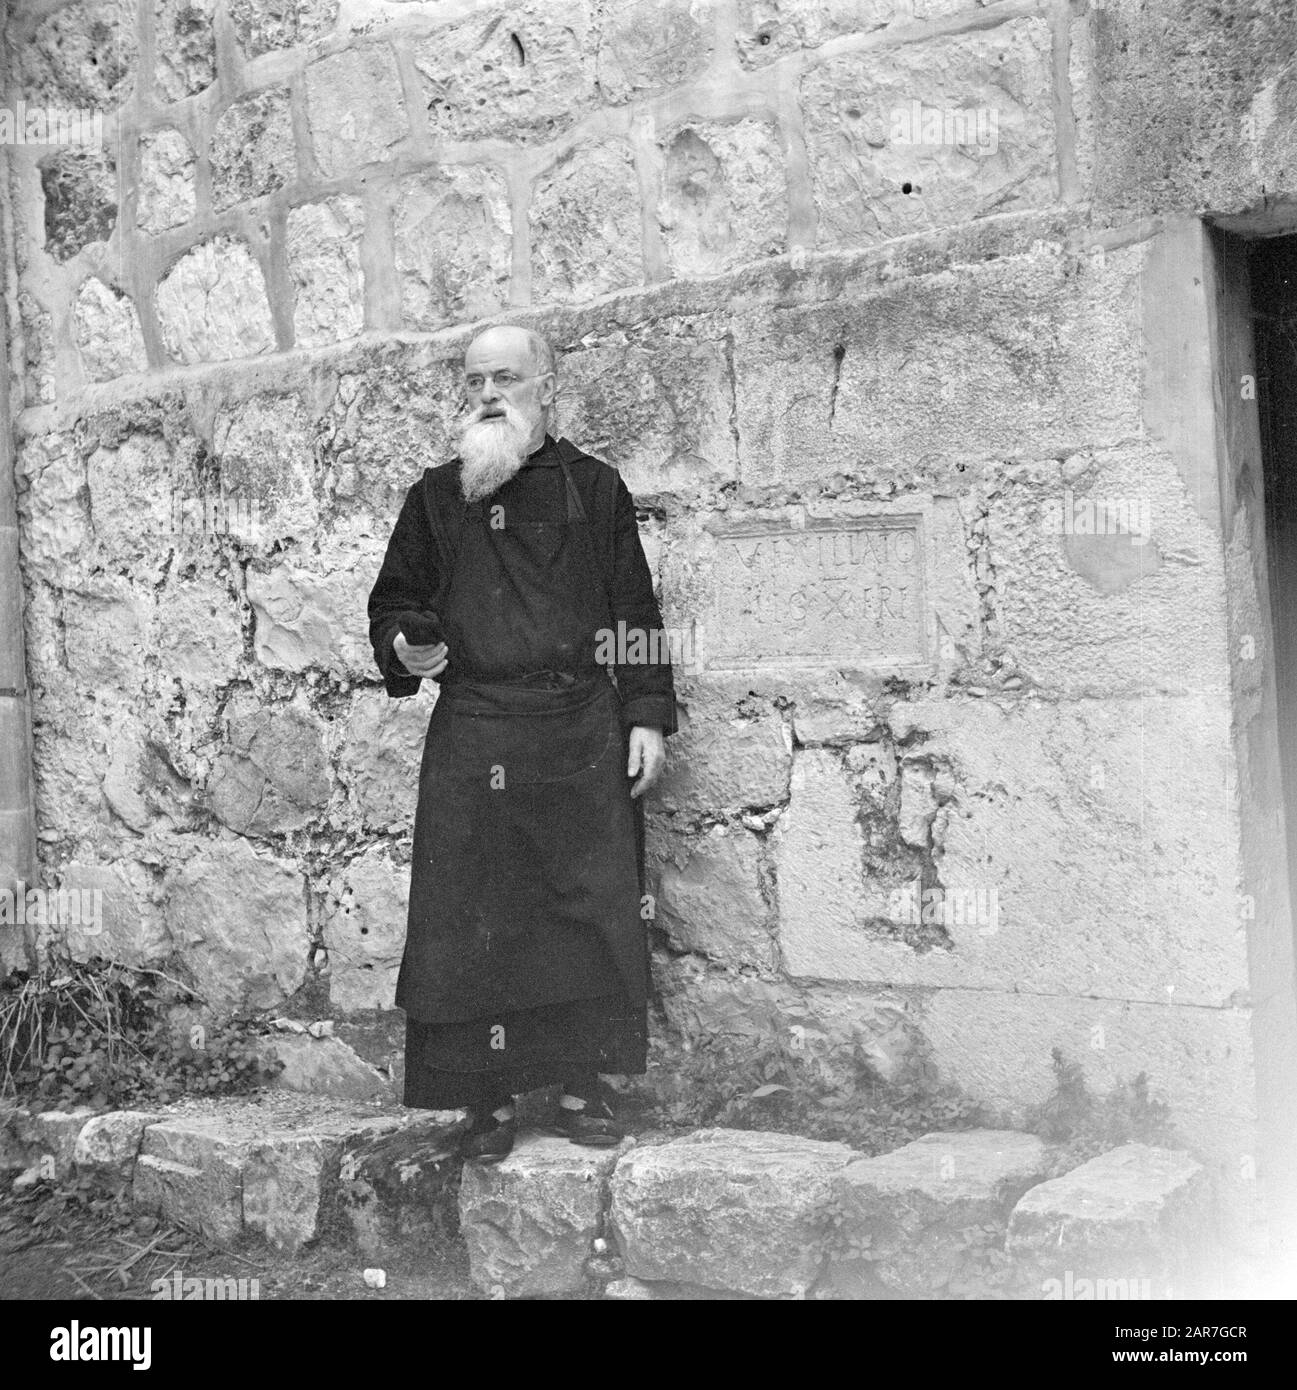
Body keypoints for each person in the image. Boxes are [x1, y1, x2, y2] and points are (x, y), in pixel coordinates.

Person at [367, 324, 677, 1162]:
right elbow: (394, 603)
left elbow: (631, 613)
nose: (487, 395)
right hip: (473, 728)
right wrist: (405, 644)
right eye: (474, 382)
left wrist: (644, 714)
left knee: (585, 910)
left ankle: (584, 1093)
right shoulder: (435, 497)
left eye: (505, 377)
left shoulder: (594, 487)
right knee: (472, 918)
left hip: (578, 726)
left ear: (546, 384)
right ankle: (486, 1103)